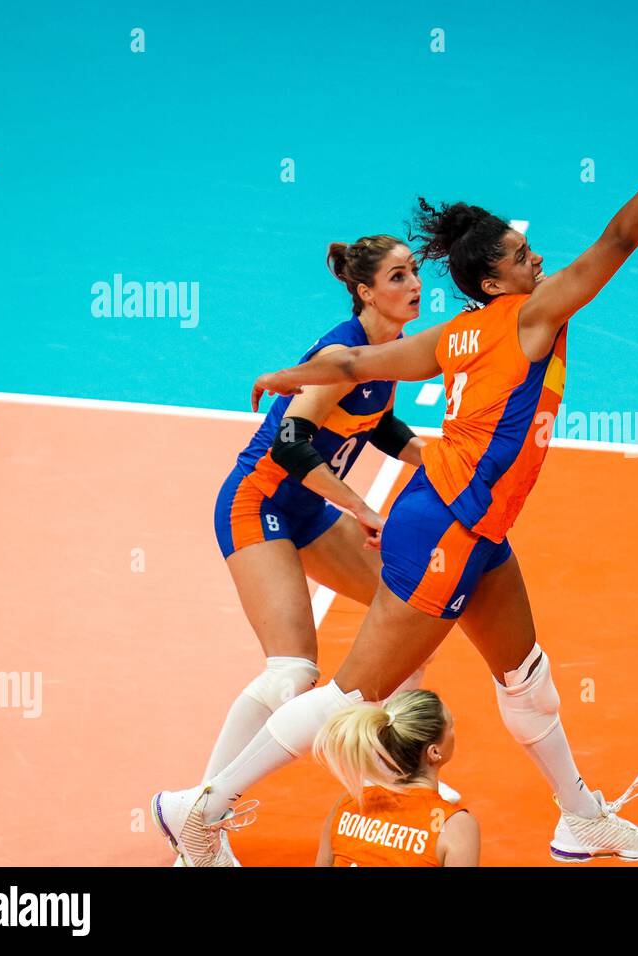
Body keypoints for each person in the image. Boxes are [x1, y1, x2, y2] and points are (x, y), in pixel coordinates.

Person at [152, 74, 638, 865]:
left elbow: (353, 359)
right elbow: (620, 241)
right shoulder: (532, 315)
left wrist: (287, 378)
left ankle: (580, 816)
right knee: (348, 696)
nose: (541, 260)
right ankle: (202, 810)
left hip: (477, 526)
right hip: (444, 527)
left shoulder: (458, 335)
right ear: (496, 283)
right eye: (525, 257)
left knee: (525, 675)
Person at [167, 236, 440, 866]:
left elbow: (379, 424)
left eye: (415, 273)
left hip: (306, 510)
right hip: (257, 501)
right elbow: (292, 444)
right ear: (367, 292)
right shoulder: (341, 350)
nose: (414, 285)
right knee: (291, 673)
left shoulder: (386, 355)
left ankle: (389, 785)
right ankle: (199, 820)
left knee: (412, 614)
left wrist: (437, 459)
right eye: (399, 277)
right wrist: (365, 509)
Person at [313, 690, 478, 867]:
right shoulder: (455, 826)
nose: (454, 730)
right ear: (434, 752)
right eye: (451, 725)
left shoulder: (348, 804)